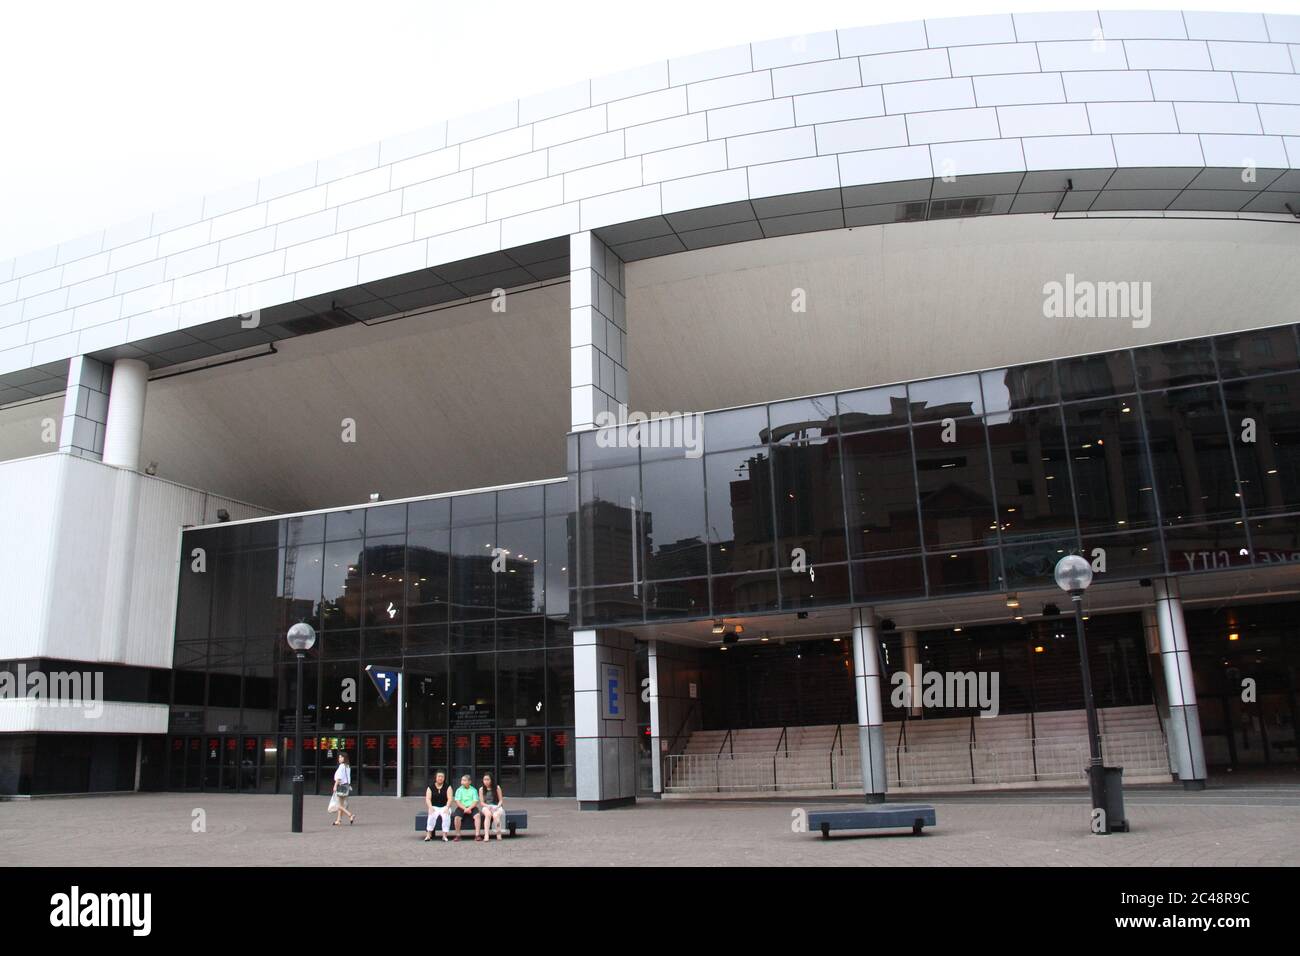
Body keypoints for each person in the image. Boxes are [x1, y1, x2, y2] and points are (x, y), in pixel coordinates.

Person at [424, 770, 453, 842]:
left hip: (444, 806)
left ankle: (444, 835)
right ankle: (428, 835)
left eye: (442, 776)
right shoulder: (430, 787)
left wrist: (447, 807)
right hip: (434, 806)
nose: (440, 778)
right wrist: (430, 807)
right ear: (436, 777)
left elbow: (450, 799)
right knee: (431, 815)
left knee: (446, 815)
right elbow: (428, 799)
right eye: (439, 776)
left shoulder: (448, 787)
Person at [451, 773, 481, 842]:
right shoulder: (459, 790)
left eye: (464, 780)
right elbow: (457, 801)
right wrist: (465, 808)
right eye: (462, 780)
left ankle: (477, 835)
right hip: (462, 807)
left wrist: (469, 808)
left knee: (477, 816)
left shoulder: (474, 790)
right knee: (457, 817)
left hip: (472, 807)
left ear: (469, 782)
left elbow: (475, 801)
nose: (462, 782)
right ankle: (458, 835)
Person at [329, 753, 355, 826]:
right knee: (341, 804)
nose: (339, 759)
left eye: (341, 757)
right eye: (339, 757)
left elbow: (339, 777)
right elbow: (348, 777)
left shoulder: (341, 766)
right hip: (346, 786)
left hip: (341, 787)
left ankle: (350, 814)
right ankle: (338, 820)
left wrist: (335, 786)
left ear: (344, 758)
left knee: (338, 805)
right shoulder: (347, 766)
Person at [479, 772, 506, 841]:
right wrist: (488, 806)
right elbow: (482, 803)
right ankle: (486, 835)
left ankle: (498, 833)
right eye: (485, 779)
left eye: (488, 779)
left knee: (495, 815)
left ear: (491, 780)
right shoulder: (481, 789)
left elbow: (501, 800)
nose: (486, 781)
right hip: (486, 806)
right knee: (488, 814)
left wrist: (497, 806)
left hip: (496, 806)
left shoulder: (497, 787)